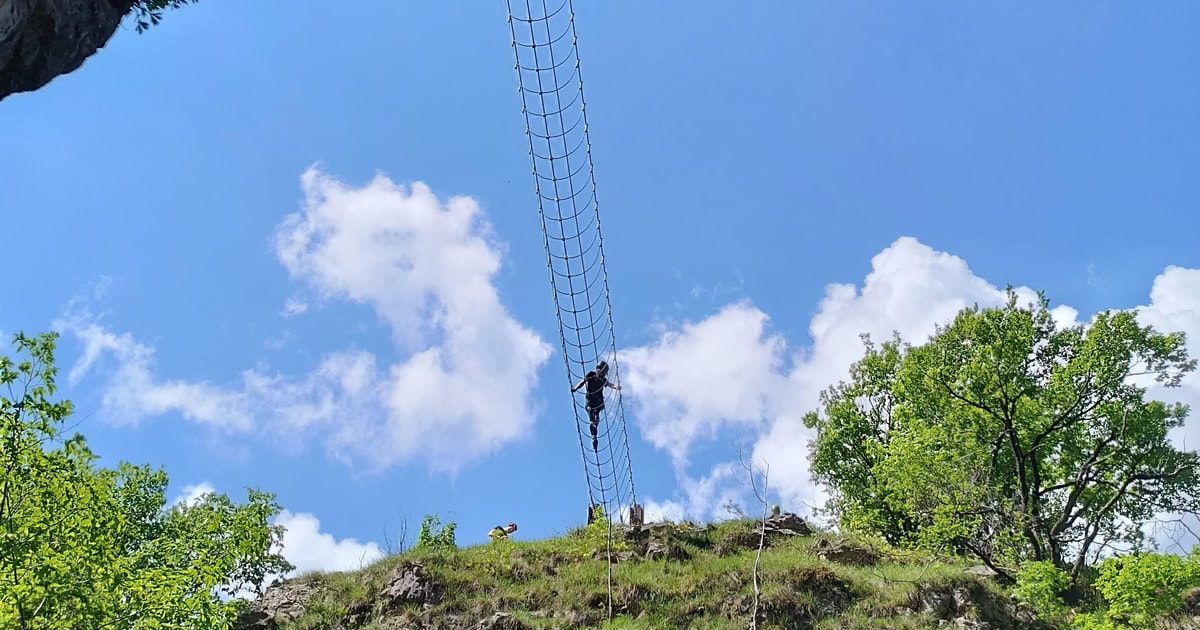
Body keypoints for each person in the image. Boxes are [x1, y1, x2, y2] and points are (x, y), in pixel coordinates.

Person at [571, 360, 621, 451]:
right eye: (603, 371)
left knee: (596, 418)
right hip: (590, 402)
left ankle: (594, 435)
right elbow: (582, 382)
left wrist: (616, 387)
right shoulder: (591, 374)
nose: (603, 373)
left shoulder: (603, 380)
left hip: (598, 403)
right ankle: (594, 434)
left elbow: (610, 384)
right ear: (599, 369)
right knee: (592, 415)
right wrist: (575, 388)